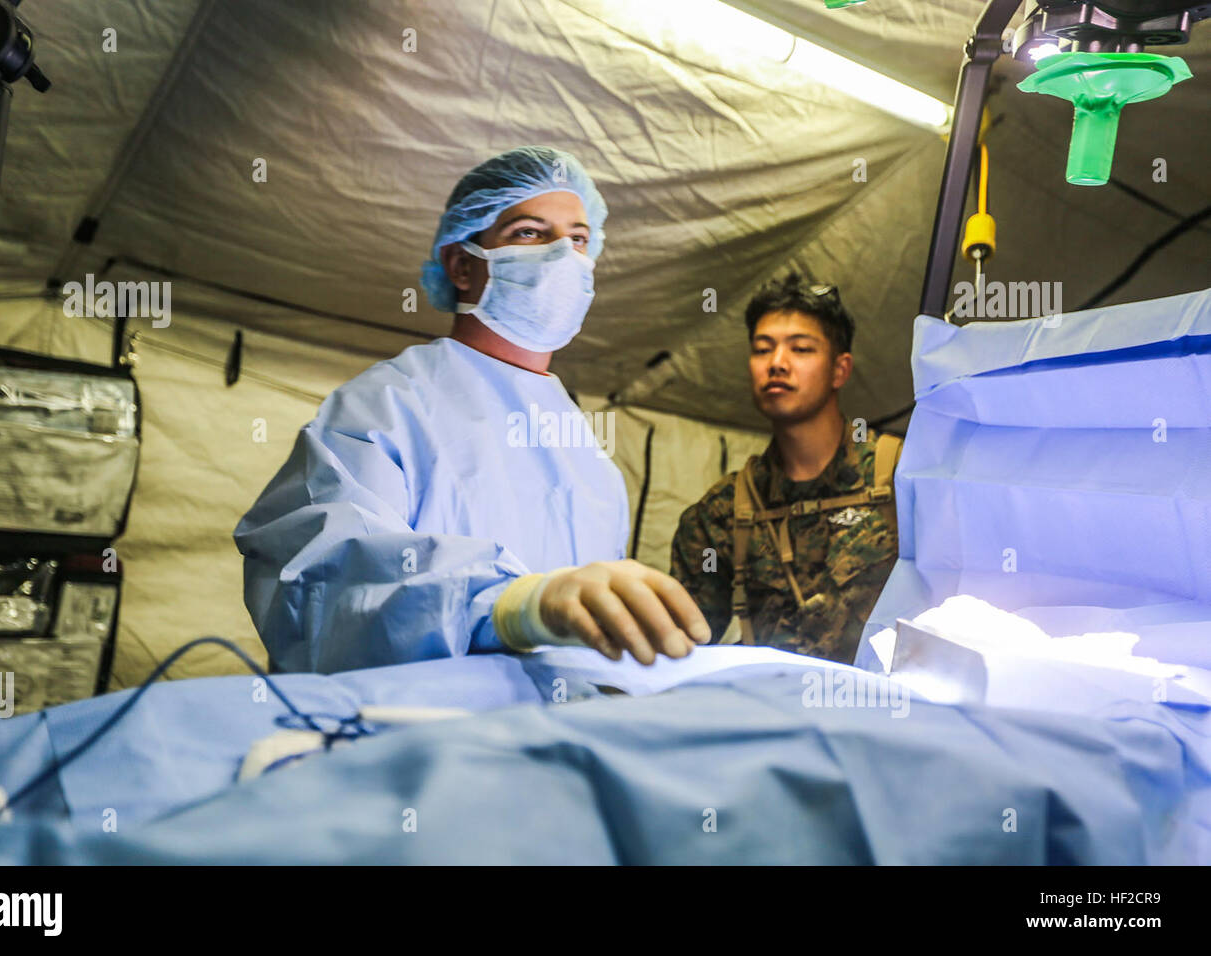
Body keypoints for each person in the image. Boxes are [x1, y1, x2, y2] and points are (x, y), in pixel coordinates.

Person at [235, 146, 709, 673]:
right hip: (404, 729)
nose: (562, 257)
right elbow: (321, 582)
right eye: (529, 232)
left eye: (577, 239)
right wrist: (510, 606)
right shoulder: (386, 407)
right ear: (461, 265)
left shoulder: (588, 455)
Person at [670, 274, 902, 664]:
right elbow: (681, 645)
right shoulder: (724, 512)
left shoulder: (899, 476)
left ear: (839, 370)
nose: (777, 363)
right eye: (763, 349)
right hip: (779, 715)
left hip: (887, 713)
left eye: (801, 349)